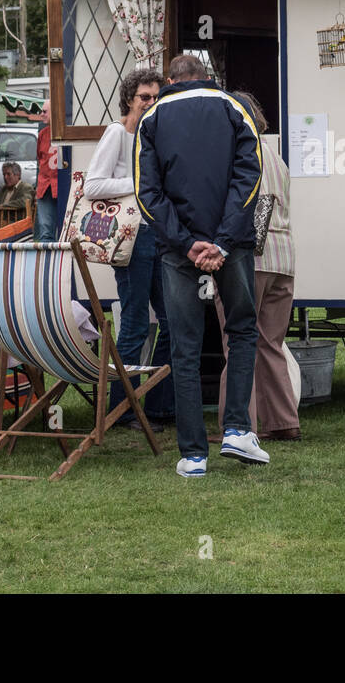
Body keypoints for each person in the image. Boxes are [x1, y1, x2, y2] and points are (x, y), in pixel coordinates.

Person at [135, 54, 266, 478]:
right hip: (234, 245)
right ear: (209, 78)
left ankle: (193, 455)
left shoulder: (151, 118)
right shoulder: (235, 107)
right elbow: (249, 178)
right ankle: (236, 430)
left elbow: (147, 193)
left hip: (178, 251)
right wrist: (223, 242)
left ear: (171, 80)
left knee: (185, 347)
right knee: (242, 330)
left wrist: (188, 243)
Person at [85, 68, 174, 429]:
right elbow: (93, 185)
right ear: (129, 100)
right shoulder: (116, 133)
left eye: (156, 97)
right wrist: (138, 182)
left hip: (157, 235)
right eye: (144, 97)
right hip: (130, 239)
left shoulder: (156, 135)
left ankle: (155, 404)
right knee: (136, 324)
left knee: (171, 320)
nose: (151, 103)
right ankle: (122, 410)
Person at [217, 91, 300, 441]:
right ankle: (283, 421)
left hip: (254, 258)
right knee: (271, 343)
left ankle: (238, 425)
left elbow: (259, 206)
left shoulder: (243, 153)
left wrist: (237, 250)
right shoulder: (275, 155)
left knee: (237, 342)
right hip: (285, 259)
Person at [34, 104, 59, 241]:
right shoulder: (42, 135)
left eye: (44, 111)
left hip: (61, 186)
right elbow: (40, 158)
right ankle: (48, 261)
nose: (41, 114)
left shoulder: (64, 133)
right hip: (45, 188)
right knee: (45, 231)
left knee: (64, 230)